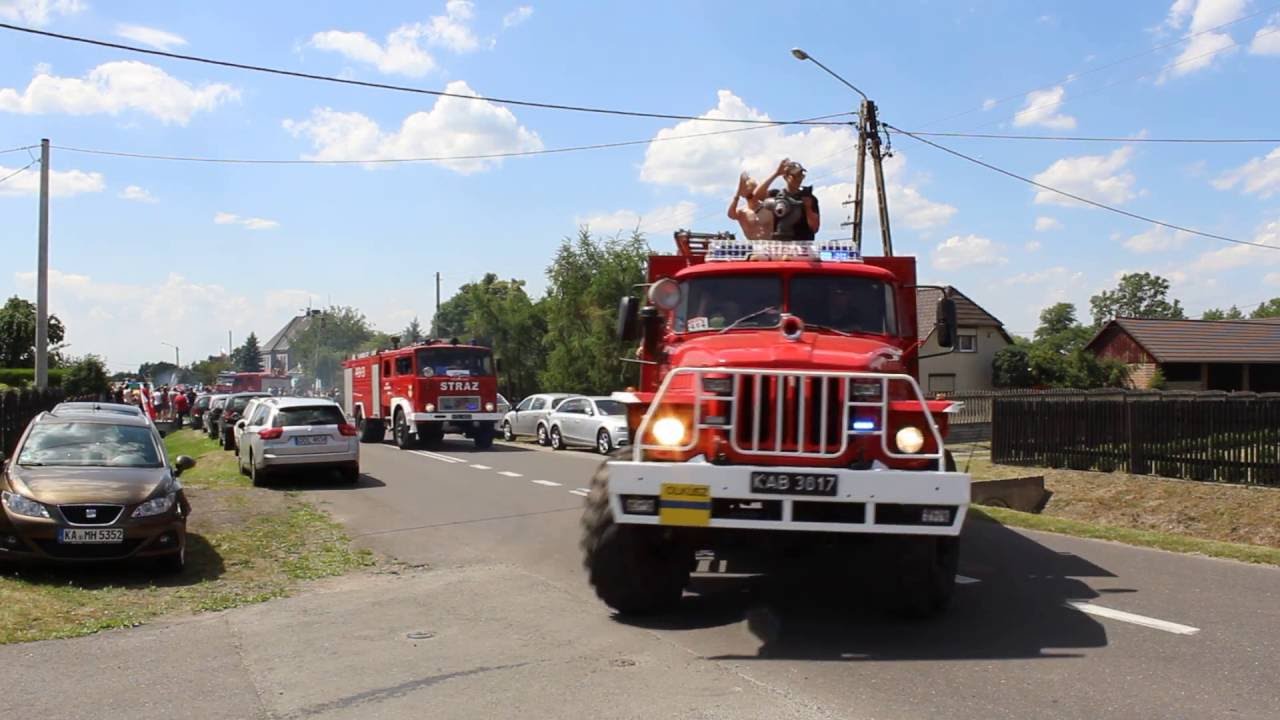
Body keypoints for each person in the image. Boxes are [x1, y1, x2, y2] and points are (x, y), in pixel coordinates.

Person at [751, 158, 820, 241]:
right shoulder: (776, 195)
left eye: (801, 175)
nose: (799, 179)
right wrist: (776, 174)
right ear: (786, 177)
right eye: (795, 176)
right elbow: (757, 195)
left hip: (803, 245)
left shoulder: (809, 197)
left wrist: (808, 207)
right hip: (780, 244)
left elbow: (814, 228)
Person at [726, 172, 772, 240]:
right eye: (748, 194)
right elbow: (730, 215)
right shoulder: (741, 212)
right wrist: (738, 193)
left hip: (768, 246)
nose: (752, 196)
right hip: (752, 246)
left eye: (753, 191)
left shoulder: (767, 208)